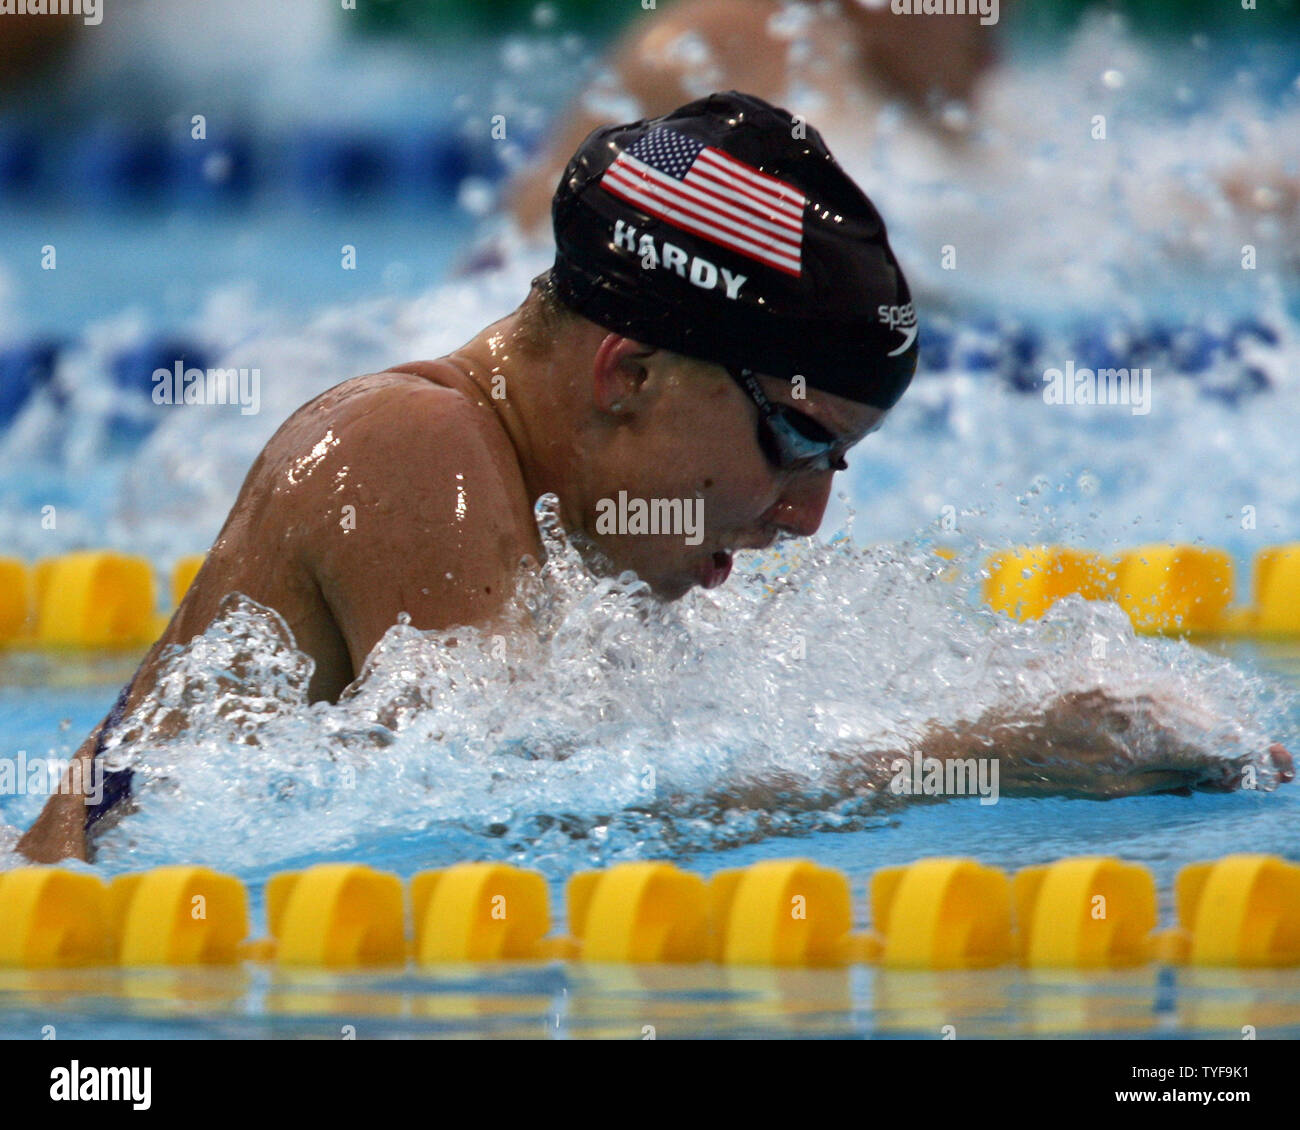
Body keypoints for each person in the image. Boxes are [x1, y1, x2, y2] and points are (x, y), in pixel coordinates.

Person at [17, 90, 1289, 864]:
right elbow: (505, 815)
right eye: (794, 439)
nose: (805, 514)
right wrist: (977, 753)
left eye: (835, 461)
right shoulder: (406, 448)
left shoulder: (552, 513)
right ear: (627, 372)